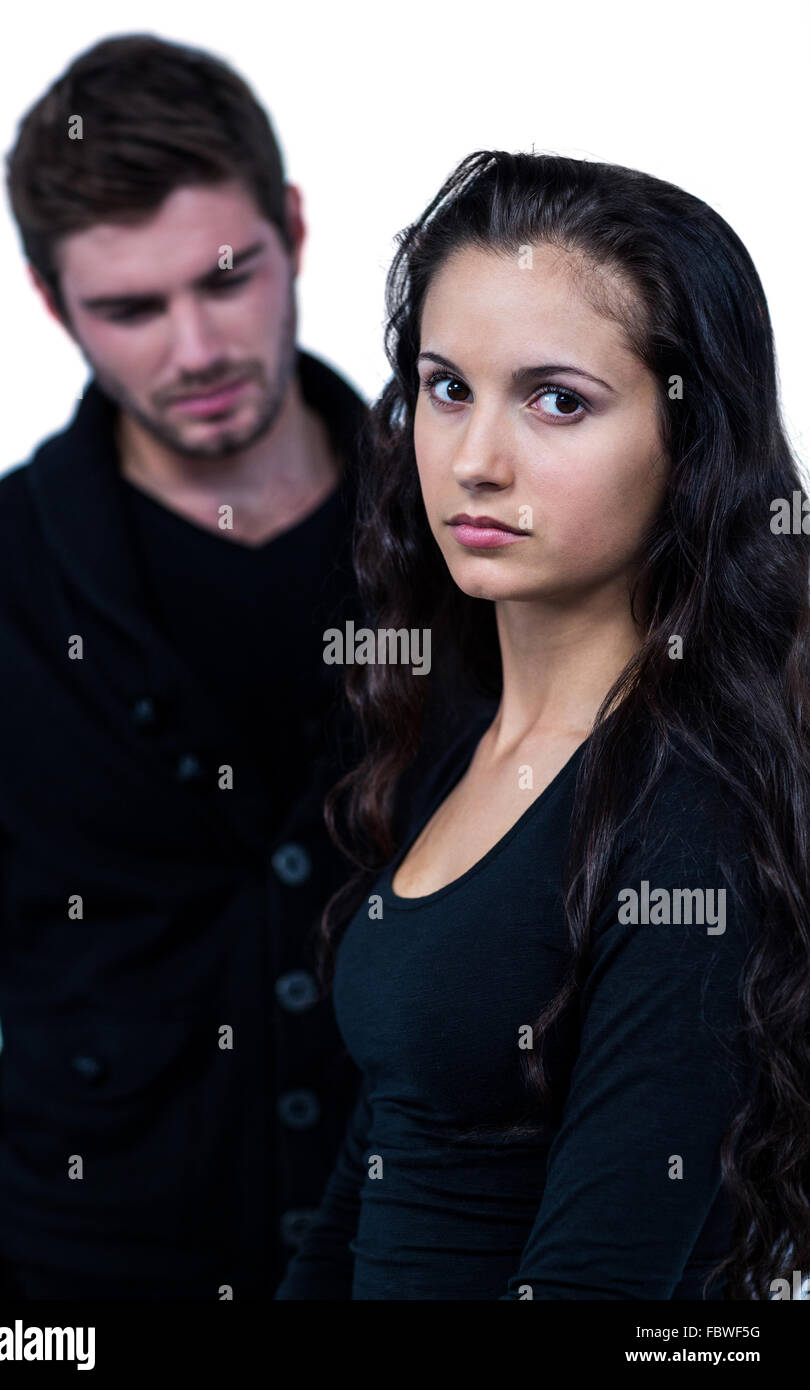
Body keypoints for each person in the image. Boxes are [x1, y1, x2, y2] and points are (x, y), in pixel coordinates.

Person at [275, 150, 810, 1300]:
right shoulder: (455, 737)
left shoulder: (690, 814)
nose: (473, 459)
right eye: (445, 386)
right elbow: (366, 1187)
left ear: (688, 438)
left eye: (556, 400)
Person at [0, 32, 385, 1301]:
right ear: (51, 302)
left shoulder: (473, 540)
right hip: (82, 1287)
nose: (193, 348)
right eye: (130, 309)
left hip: (438, 1262)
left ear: (291, 226)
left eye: (225, 279)